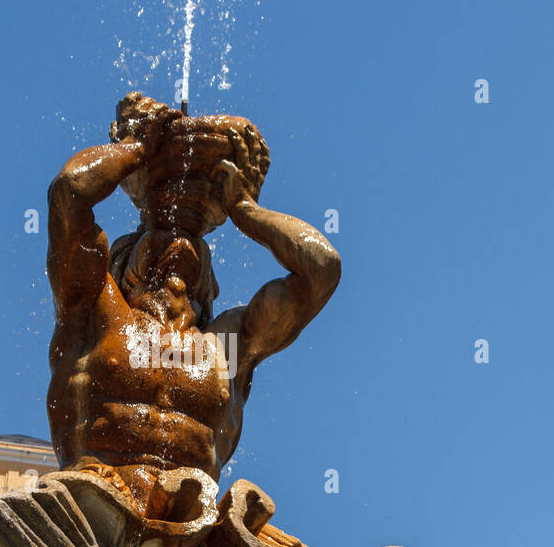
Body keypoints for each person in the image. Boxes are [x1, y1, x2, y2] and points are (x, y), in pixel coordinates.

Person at [46, 92, 340, 515]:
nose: (177, 247)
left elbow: (321, 269)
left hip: (186, 539)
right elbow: (70, 193)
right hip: (90, 517)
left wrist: (244, 208)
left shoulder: (226, 350)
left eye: (190, 253)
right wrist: (138, 148)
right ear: (125, 258)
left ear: (208, 283)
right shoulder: (94, 312)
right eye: (160, 242)